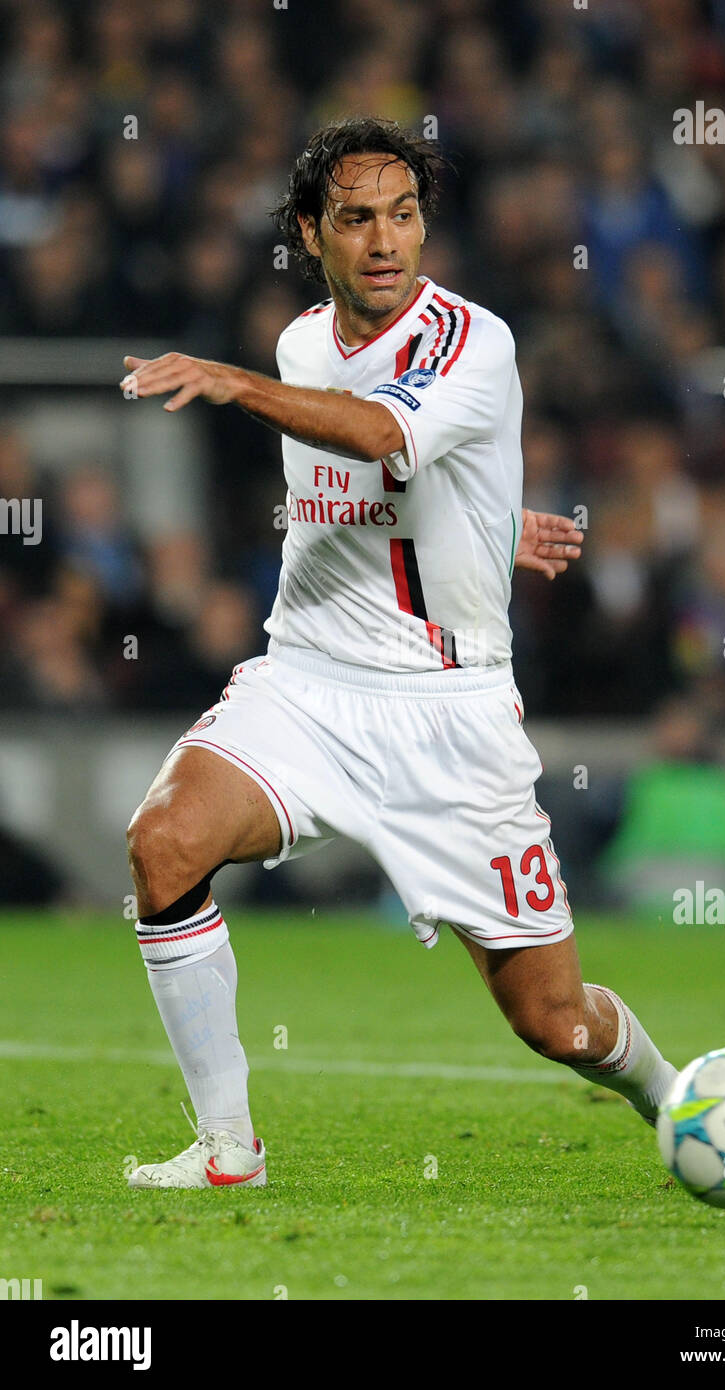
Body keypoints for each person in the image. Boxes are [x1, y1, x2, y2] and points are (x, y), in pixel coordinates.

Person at [120, 118, 677, 1188]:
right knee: (162, 846)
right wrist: (482, 524)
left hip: (448, 712)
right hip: (309, 680)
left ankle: (669, 1093)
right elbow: (359, 488)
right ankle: (229, 1146)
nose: (385, 241)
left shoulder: (475, 339)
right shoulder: (300, 345)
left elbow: (383, 436)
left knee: (553, 1022)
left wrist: (232, 385)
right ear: (310, 232)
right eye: (357, 218)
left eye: (405, 215)